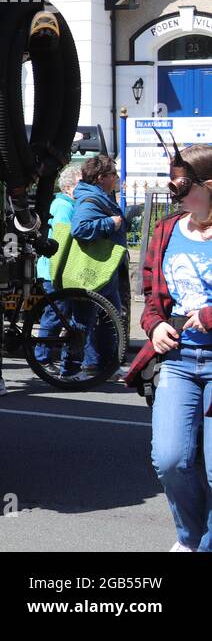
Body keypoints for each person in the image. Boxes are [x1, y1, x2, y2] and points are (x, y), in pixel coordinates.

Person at [140, 142, 212, 552]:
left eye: (181, 182)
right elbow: (151, 294)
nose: (173, 188)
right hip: (180, 361)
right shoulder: (167, 229)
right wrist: (153, 327)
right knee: (170, 460)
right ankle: (192, 537)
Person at [67, 153, 127, 377]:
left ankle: (103, 366)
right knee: (84, 321)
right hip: (92, 270)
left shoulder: (101, 196)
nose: (116, 178)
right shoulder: (91, 198)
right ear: (102, 177)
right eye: (113, 174)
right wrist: (110, 223)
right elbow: (80, 228)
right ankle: (71, 368)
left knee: (111, 320)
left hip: (104, 271)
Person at [31, 165, 82, 369]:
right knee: (55, 313)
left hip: (58, 267)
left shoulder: (68, 204)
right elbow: (62, 236)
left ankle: (46, 355)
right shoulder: (63, 206)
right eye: (80, 183)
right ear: (68, 187)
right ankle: (41, 356)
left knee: (59, 313)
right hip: (54, 268)